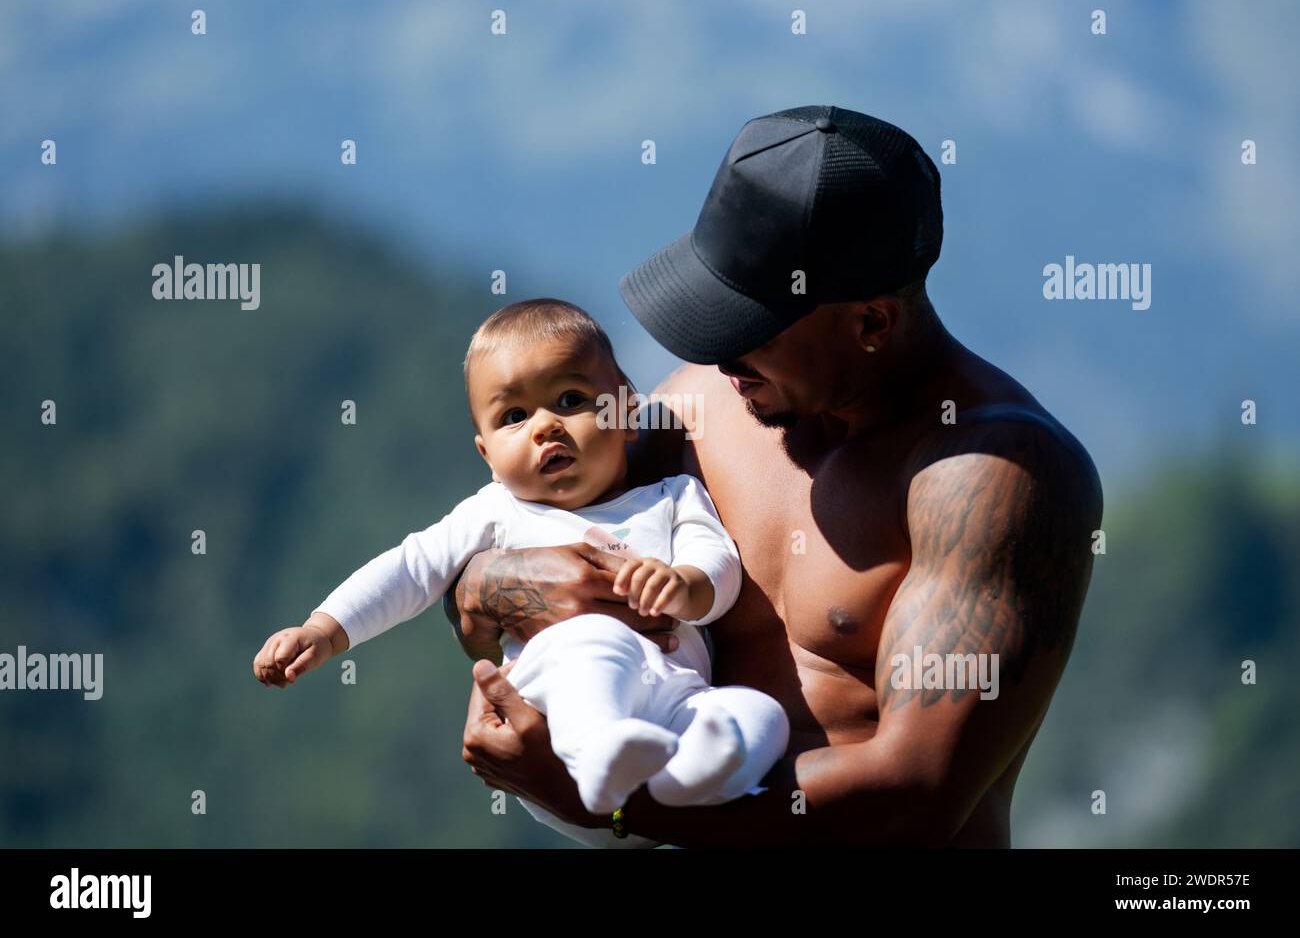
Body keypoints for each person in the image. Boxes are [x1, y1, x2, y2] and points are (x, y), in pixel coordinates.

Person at [453, 105, 1104, 847]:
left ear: (871, 324)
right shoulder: (700, 408)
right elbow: (508, 552)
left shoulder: (994, 478)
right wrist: (484, 583)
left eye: (748, 330)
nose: (719, 356)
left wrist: (607, 805)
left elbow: (916, 796)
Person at [251, 298, 789, 847]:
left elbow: (718, 563)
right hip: (554, 732)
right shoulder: (496, 512)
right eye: (514, 416)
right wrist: (324, 629)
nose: (545, 427)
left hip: (672, 704)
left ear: (628, 412)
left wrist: (688, 586)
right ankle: (599, 745)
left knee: (759, 714)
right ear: (487, 454)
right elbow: (411, 567)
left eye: (571, 399)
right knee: (593, 642)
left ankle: (684, 778)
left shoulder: (672, 497)